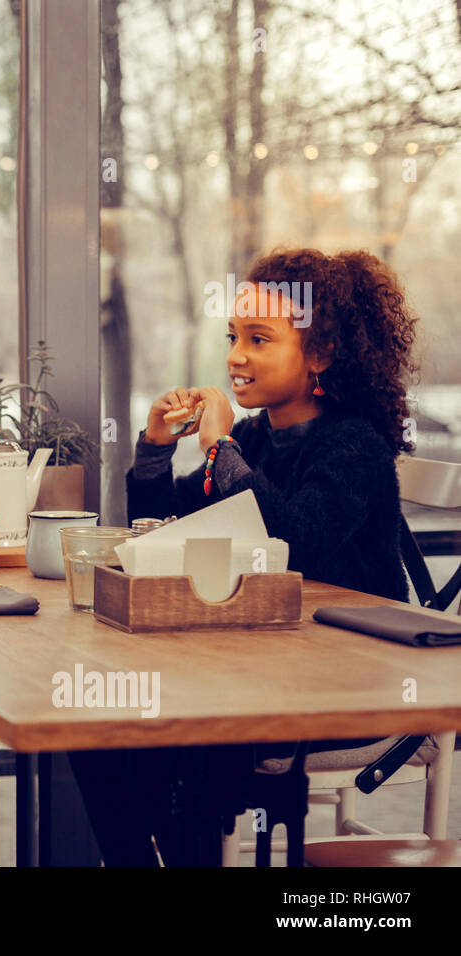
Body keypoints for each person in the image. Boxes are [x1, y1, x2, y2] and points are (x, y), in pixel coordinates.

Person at [70, 247, 421, 866]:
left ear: (322, 354)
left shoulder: (352, 445)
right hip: (262, 664)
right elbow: (168, 529)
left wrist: (223, 450)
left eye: (260, 339)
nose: (235, 355)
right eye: (234, 335)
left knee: (188, 737)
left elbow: (297, 540)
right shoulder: (260, 437)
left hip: (354, 679)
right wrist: (155, 449)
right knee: (97, 730)